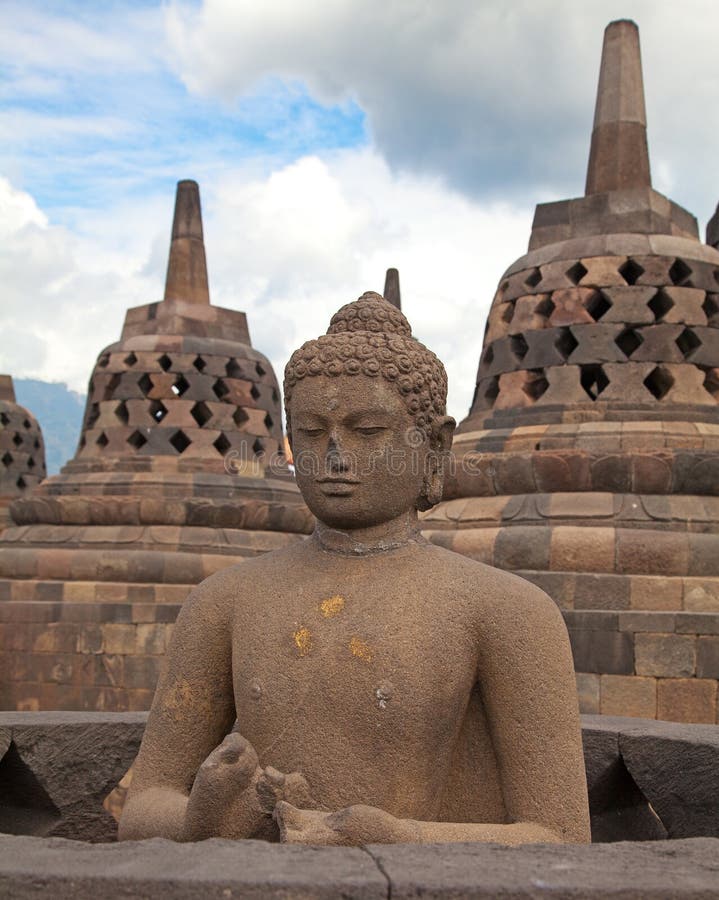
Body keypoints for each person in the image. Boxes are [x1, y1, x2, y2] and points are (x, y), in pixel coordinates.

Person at [119, 293, 590, 845]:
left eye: (368, 432)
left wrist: (392, 837)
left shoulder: (505, 611)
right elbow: (142, 807)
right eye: (313, 433)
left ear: (433, 445)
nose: (335, 456)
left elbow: (558, 835)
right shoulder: (224, 601)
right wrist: (199, 819)